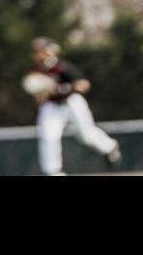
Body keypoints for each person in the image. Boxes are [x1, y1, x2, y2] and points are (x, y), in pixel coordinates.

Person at [28, 38, 121, 176]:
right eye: (36, 52)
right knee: (49, 136)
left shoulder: (62, 67)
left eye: (40, 51)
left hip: (71, 102)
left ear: (49, 51)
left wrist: (63, 89)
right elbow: (38, 94)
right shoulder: (36, 72)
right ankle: (53, 171)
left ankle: (110, 147)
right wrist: (41, 94)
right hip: (52, 106)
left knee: (86, 134)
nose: (38, 55)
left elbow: (84, 84)